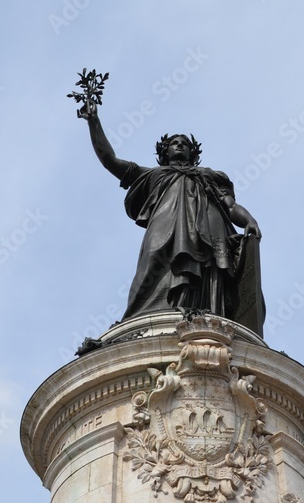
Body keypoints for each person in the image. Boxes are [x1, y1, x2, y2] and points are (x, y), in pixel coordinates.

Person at [81, 101, 264, 333]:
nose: (179, 146)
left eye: (184, 144)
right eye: (174, 143)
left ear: (192, 152)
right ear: (164, 152)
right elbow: (110, 160)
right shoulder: (152, 175)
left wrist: (249, 220)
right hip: (166, 226)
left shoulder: (209, 176)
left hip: (211, 228)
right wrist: (93, 121)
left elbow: (229, 206)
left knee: (211, 271)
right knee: (154, 263)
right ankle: (147, 320)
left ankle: (207, 321)